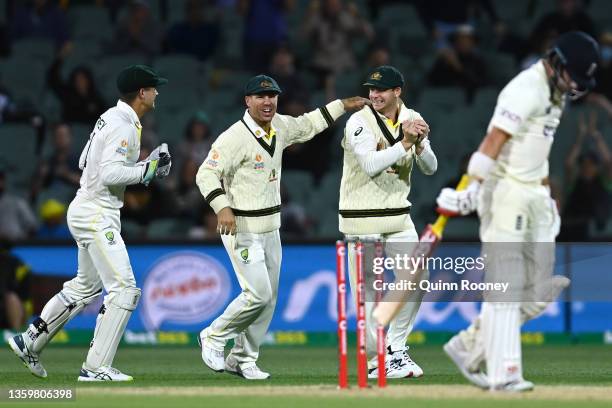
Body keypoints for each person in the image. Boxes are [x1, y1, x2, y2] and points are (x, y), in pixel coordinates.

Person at [435, 31, 600, 391]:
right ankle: (504, 375)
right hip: (504, 191)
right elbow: (494, 139)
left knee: (540, 292)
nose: (575, 84)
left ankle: (469, 346)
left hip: (534, 194)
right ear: (556, 63)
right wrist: (473, 185)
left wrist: (546, 195)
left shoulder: (557, 94)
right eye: (572, 74)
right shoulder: (525, 88)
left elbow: (536, 149)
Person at [196, 74, 368, 380]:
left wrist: (343, 105)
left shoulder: (280, 126)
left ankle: (243, 358)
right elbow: (206, 174)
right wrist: (221, 206)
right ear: (247, 101)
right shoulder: (234, 137)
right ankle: (214, 334)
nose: (268, 102)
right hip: (242, 227)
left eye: (272, 96)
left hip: (271, 227)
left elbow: (309, 124)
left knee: (270, 299)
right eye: (261, 97)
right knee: (258, 295)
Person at [8, 65, 171, 381]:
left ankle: (29, 341)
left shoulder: (110, 116)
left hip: (86, 207)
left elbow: (85, 161)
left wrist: (140, 167)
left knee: (85, 287)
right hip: (97, 212)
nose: (157, 92)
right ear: (141, 92)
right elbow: (110, 174)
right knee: (124, 289)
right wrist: (147, 171)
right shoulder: (123, 125)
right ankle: (95, 367)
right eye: (153, 87)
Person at [339, 65, 437, 379]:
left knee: (418, 275)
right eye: (371, 90)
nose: (374, 95)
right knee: (368, 297)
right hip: (361, 220)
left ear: (397, 92)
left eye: (381, 90)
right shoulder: (359, 120)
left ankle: (395, 349)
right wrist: (405, 144)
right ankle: (373, 363)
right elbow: (369, 164)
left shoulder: (412, 117)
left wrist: (420, 144)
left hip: (398, 217)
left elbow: (431, 168)